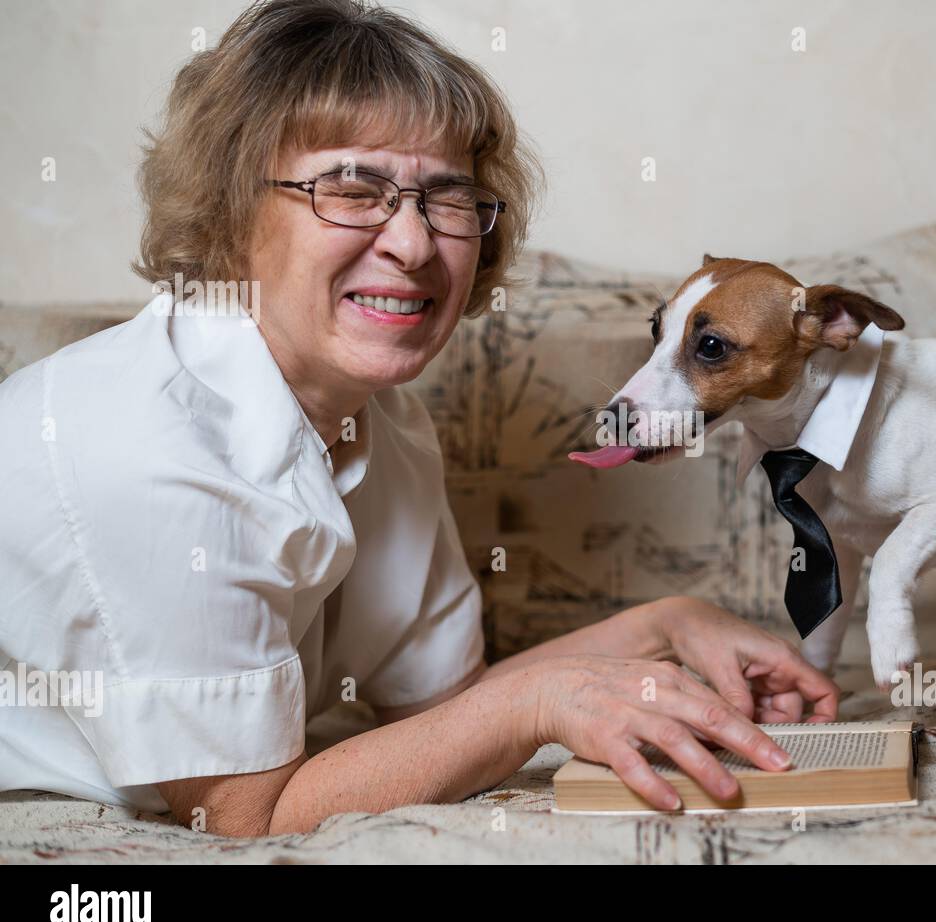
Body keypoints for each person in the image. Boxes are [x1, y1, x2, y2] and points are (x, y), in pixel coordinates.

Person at [0, 0, 837, 837]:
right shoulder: (147, 447)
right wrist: (540, 700)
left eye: (447, 197)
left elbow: (447, 713)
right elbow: (242, 817)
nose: (412, 242)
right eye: (352, 188)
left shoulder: (383, 422)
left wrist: (664, 629)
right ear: (229, 214)